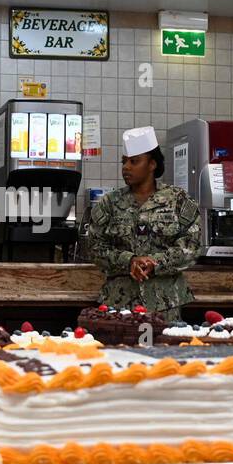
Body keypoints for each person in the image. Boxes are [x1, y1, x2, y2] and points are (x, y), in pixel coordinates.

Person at [84, 125, 201, 322]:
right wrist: (129, 261)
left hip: (165, 302)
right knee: (122, 351)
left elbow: (192, 246)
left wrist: (155, 263)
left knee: (166, 351)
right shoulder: (110, 203)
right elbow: (95, 247)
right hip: (119, 302)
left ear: (152, 164)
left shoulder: (177, 200)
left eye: (134, 161)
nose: (126, 167)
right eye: (124, 162)